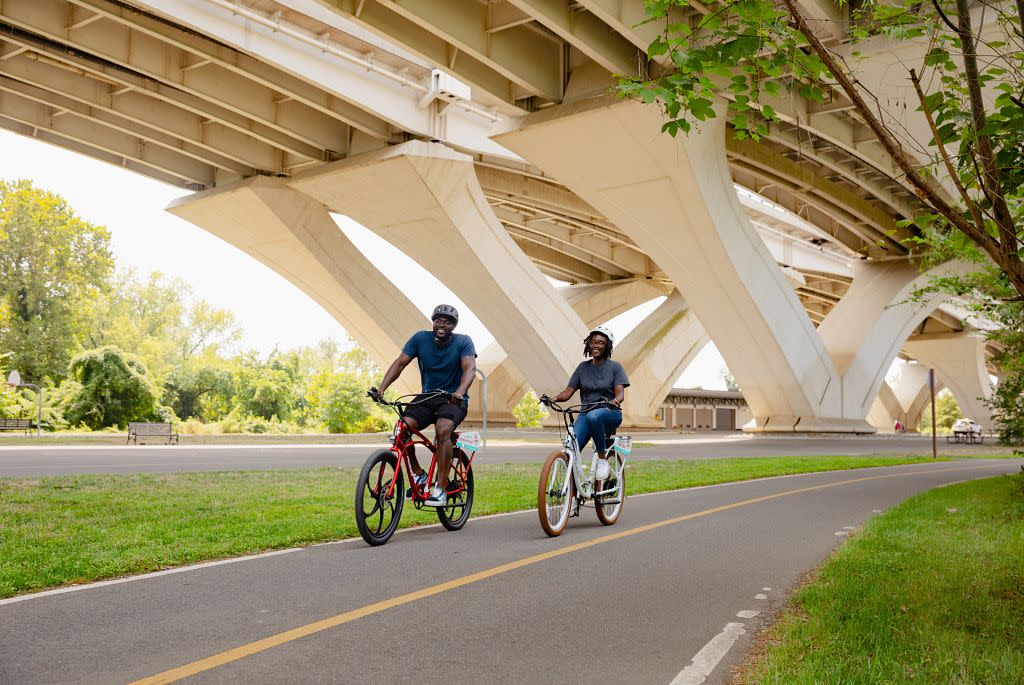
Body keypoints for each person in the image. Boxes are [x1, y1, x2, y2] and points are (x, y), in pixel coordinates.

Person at [370, 304, 476, 507]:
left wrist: (460, 392)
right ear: (433, 322)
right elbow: (400, 363)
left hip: (452, 399)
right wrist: (382, 388)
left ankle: (441, 488)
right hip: (427, 397)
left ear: (453, 326)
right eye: (438, 320)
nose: (441, 324)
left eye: (447, 321)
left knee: (442, 430)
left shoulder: (463, 342)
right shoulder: (420, 338)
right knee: (402, 429)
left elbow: (469, 368)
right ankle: (419, 474)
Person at [543, 326, 628, 482]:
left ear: (607, 346)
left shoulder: (615, 367)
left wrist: (615, 401)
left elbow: (620, 393)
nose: (596, 345)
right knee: (571, 449)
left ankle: (602, 460)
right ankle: (572, 495)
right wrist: (552, 399)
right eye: (593, 342)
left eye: (601, 343)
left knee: (593, 416)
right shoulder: (583, 368)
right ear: (588, 344)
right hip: (586, 412)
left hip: (610, 412)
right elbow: (568, 392)